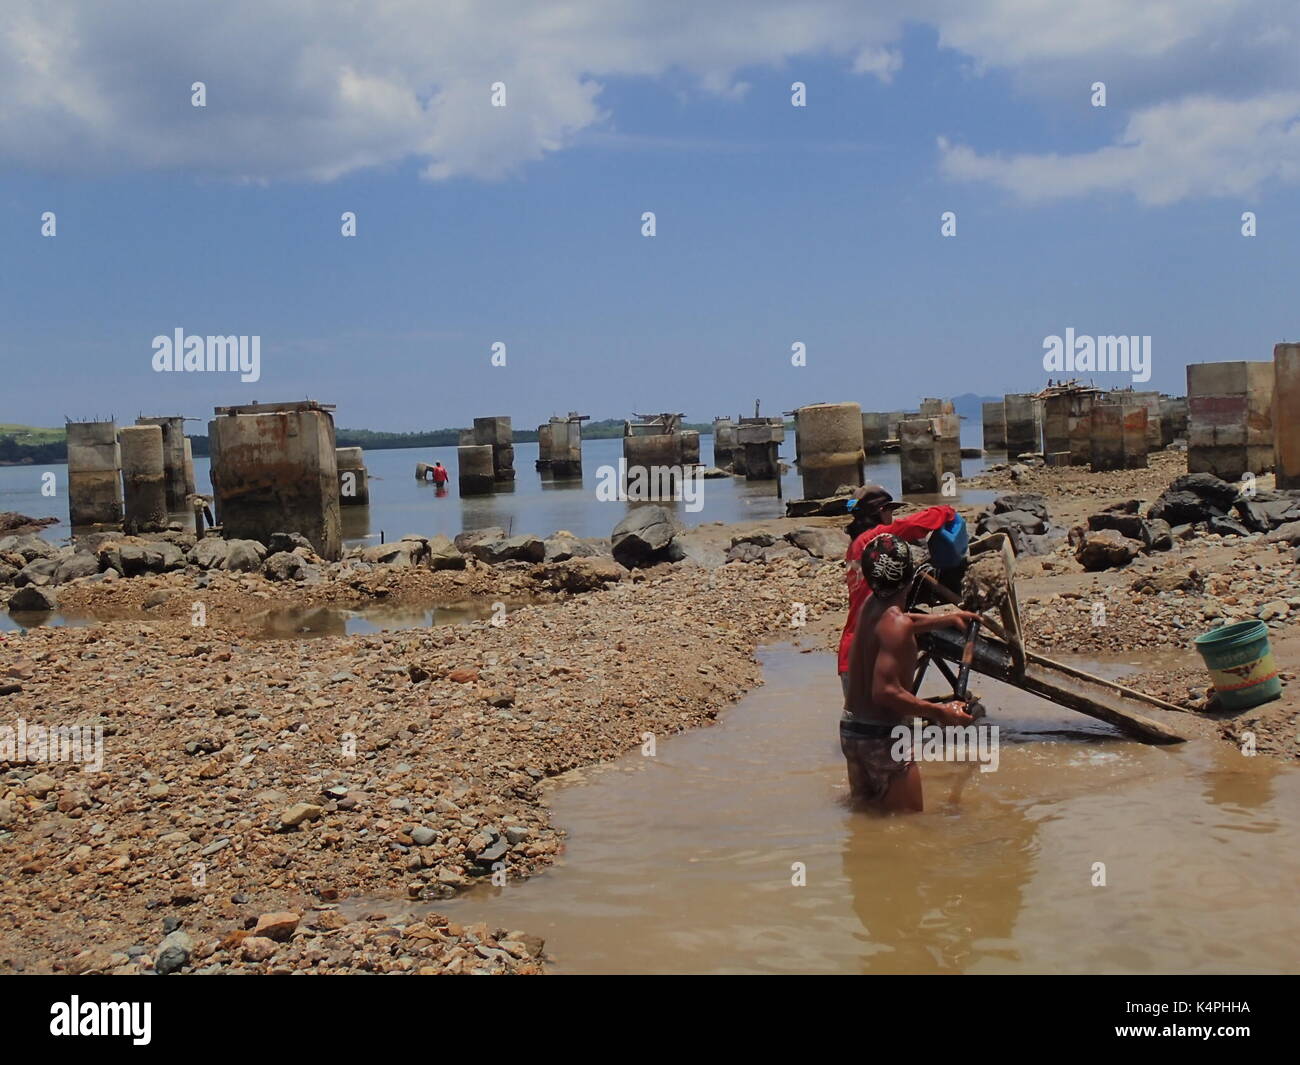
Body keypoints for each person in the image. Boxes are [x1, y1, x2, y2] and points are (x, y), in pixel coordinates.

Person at [842, 534, 978, 812]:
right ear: (911, 577)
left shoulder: (870, 605)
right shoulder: (896, 626)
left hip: (853, 732)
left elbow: (901, 621)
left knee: (868, 820)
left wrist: (946, 619)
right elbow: (885, 692)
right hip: (884, 738)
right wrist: (942, 712)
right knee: (909, 826)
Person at [837, 486, 955, 707]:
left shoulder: (856, 546)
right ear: (879, 511)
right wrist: (947, 511)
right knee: (884, 728)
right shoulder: (875, 539)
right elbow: (912, 525)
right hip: (870, 653)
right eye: (889, 511)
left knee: (868, 725)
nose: (892, 517)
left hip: (852, 652)